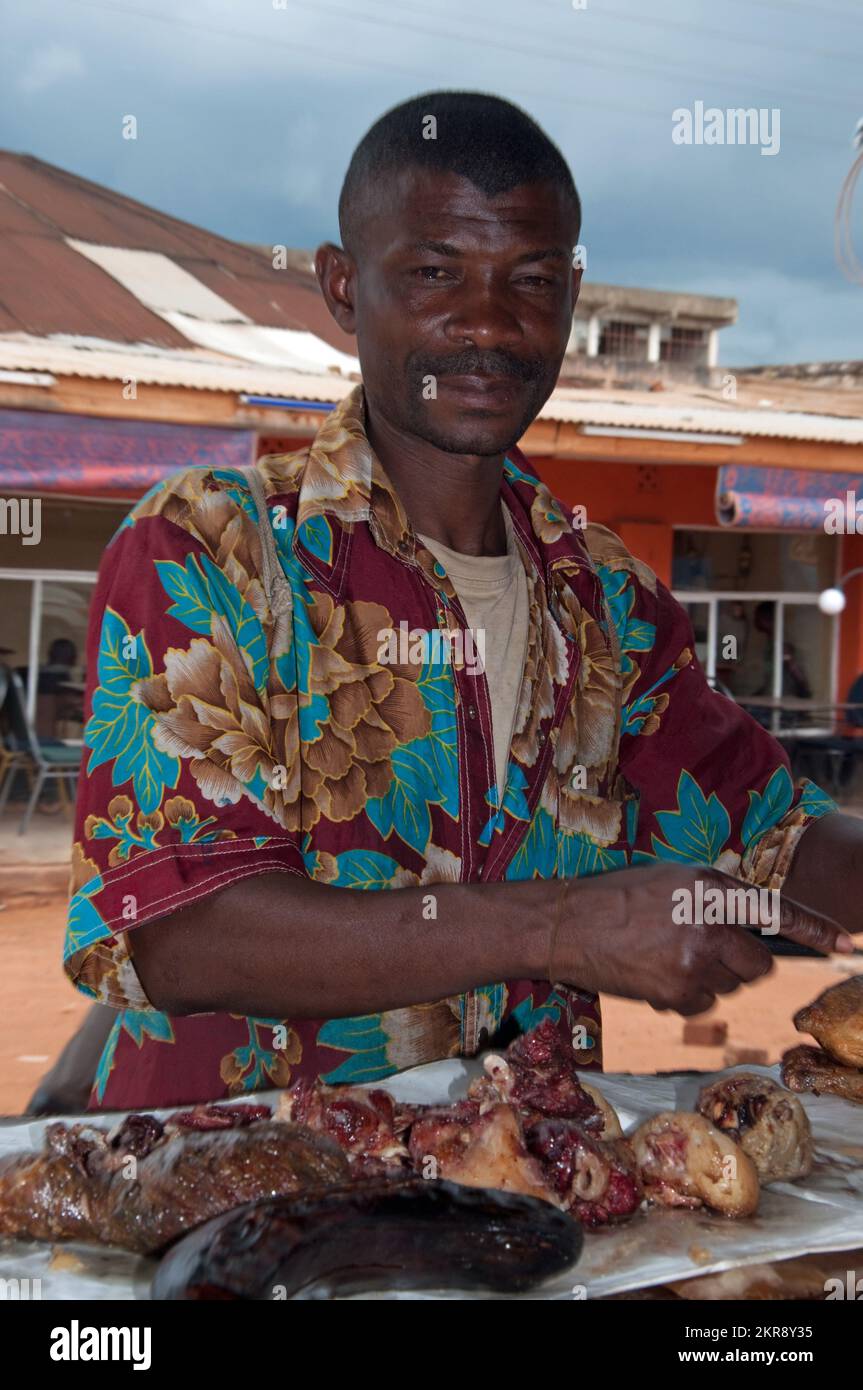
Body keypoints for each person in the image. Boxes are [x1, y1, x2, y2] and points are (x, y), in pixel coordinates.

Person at [62, 91, 856, 1112]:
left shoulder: (608, 603)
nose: (486, 323)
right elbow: (177, 931)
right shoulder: (211, 544)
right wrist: (560, 926)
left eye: (527, 280)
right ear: (343, 285)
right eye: (435, 273)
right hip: (241, 1219)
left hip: (523, 1209)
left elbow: (779, 841)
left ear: (570, 295)